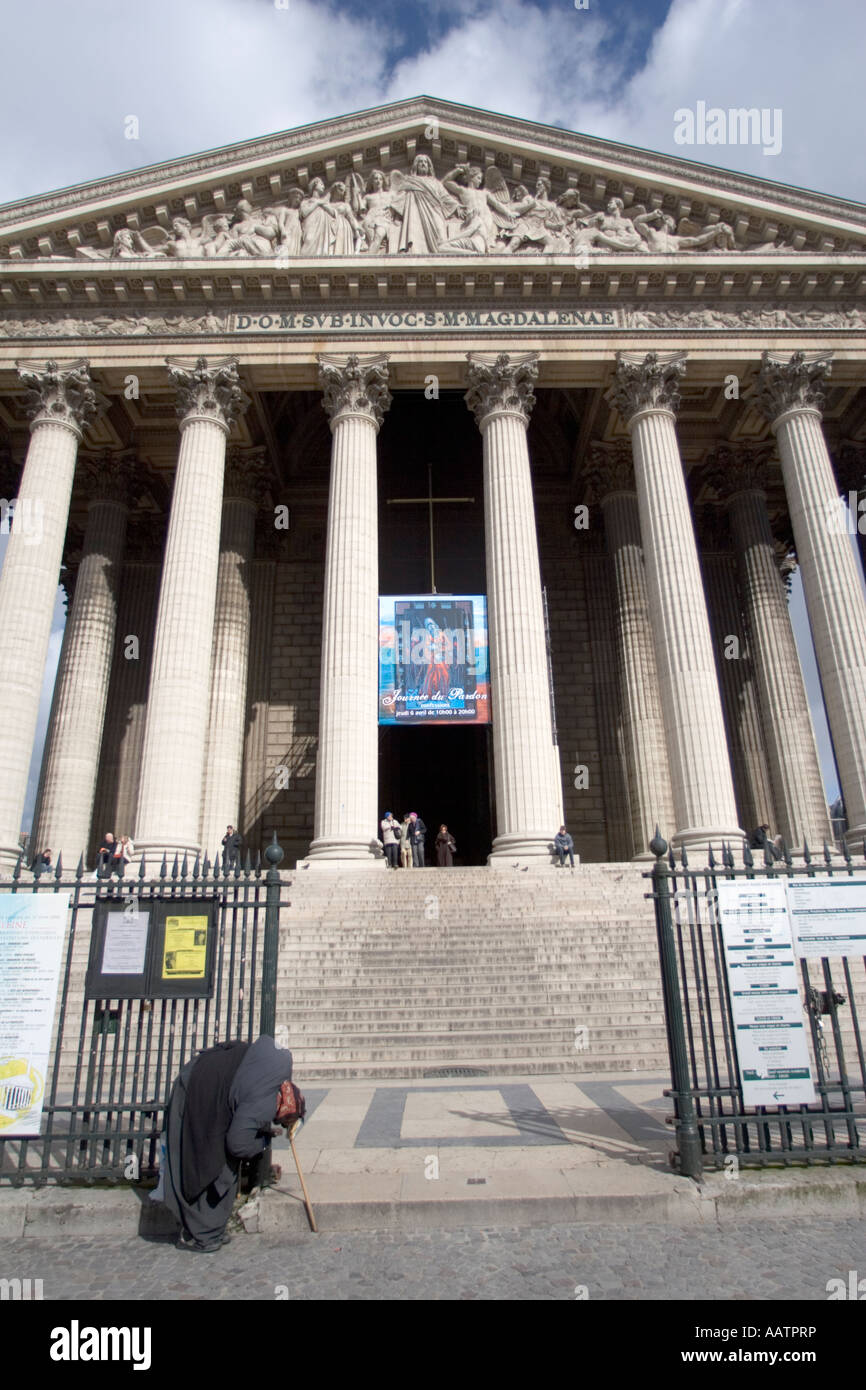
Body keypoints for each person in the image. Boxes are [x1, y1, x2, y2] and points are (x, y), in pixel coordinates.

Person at [157, 1034, 297, 1254]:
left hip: (214, 1089)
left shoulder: (277, 1073)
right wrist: (263, 1142)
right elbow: (238, 1144)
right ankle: (201, 1234)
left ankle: (211, 1229)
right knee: (201, 1160)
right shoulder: (265, 1097)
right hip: (197, 1090)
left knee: (220, 1162)